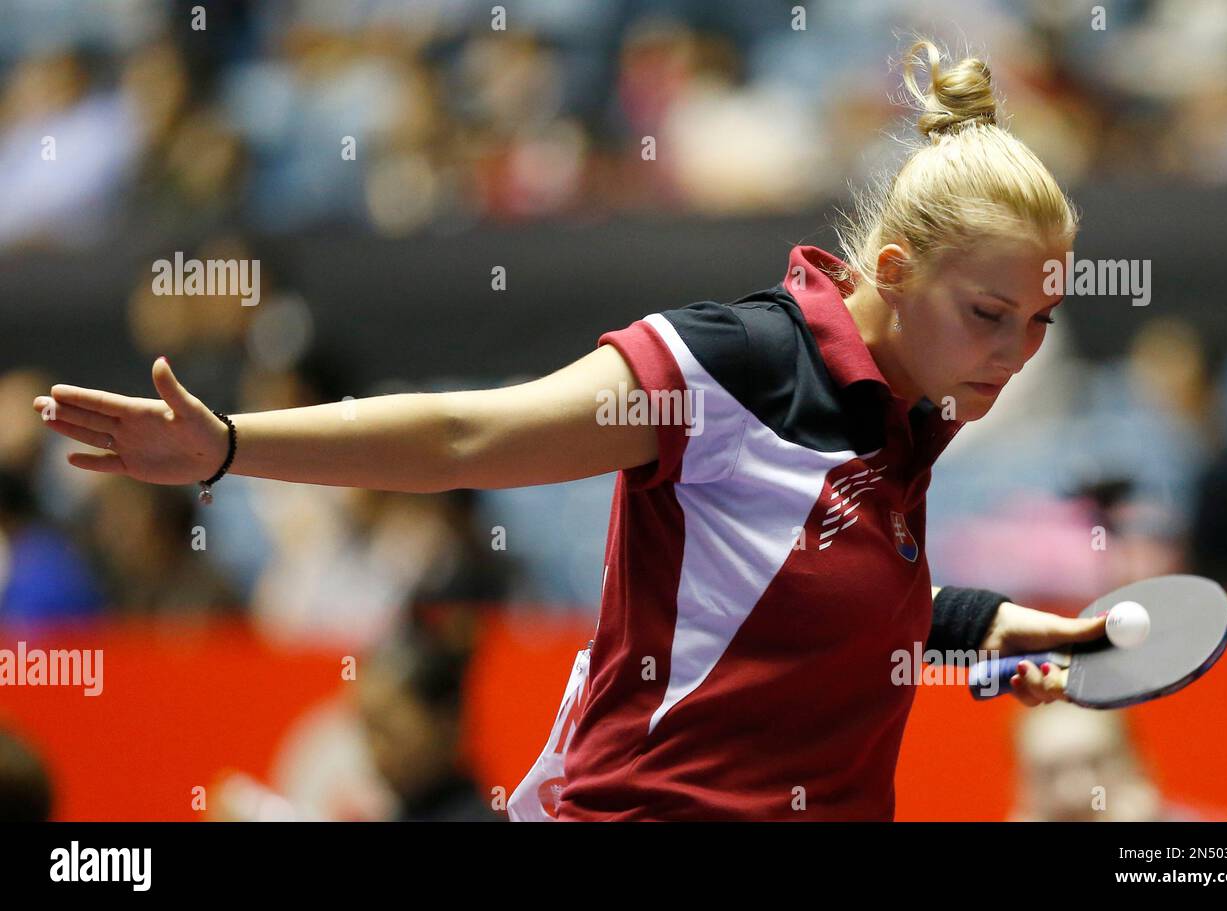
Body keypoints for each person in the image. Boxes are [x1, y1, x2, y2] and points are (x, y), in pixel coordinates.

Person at [30, 38, 1106, 821]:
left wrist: (986, 624)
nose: (1017, 352)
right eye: (990, 314)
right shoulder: (731, 369)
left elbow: (789, 610)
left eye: (1040, 322)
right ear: (890, 272)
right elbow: (467, 434)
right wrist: (227, 443)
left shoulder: (909, 416)